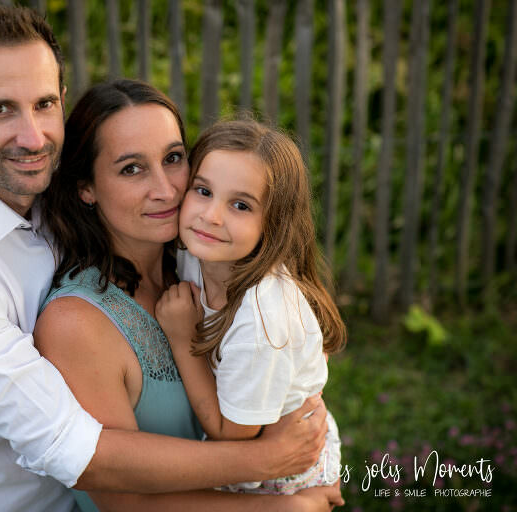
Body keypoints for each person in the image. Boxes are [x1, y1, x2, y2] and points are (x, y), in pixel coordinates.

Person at [0, 4, 341, 511]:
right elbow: (83, 458)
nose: (33, 136)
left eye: (173, 158)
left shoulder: (184, 253)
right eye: (0, 108)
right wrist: (275, 482)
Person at [35, 80, 343, 510]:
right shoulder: (77, 323)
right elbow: (126, 503)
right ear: (86, 187)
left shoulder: (198, 261)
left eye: (173, 159)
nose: (165, 189)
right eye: (131, 169)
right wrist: (285, 506)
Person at [155, 119, 348, 495]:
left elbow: (234, 434)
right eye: (203, 190)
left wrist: (182, 338)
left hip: (282, 477)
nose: (211, 215)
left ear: (273, 224)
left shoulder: (261, 320)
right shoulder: (200, 255)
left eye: (241, 205)